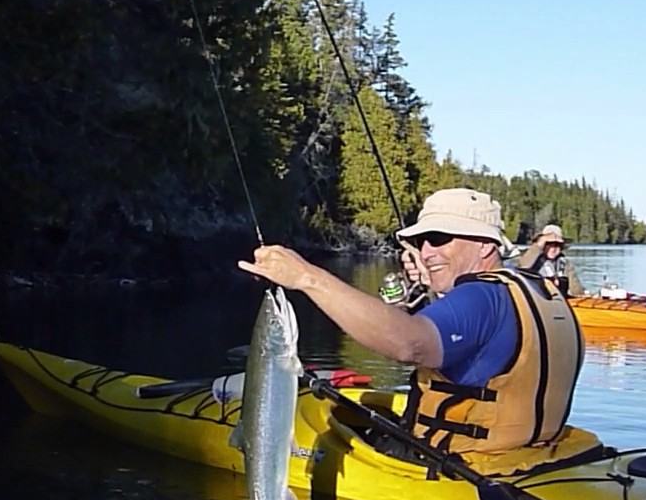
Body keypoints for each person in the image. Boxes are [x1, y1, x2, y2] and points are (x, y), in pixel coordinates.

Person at [238, 187, 583, 455]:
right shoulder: (538, 291)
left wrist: (307, 278)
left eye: (439, 239)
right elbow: (480, 345)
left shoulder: (479, 298)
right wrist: (431, 291)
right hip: (532, 454)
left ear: (485, 246)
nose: (426, 251)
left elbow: (410, 344)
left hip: (470, 465)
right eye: (420, 241)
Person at [517, 224, 585, 297]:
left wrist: (583, 294)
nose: (553, 249)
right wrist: (540, 243)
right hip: (538, 300)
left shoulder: (565, 264)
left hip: (560, 302)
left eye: (556, 245)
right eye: (548, 244)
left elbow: (576, 289)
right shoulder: (532, 260)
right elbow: (523, 266)